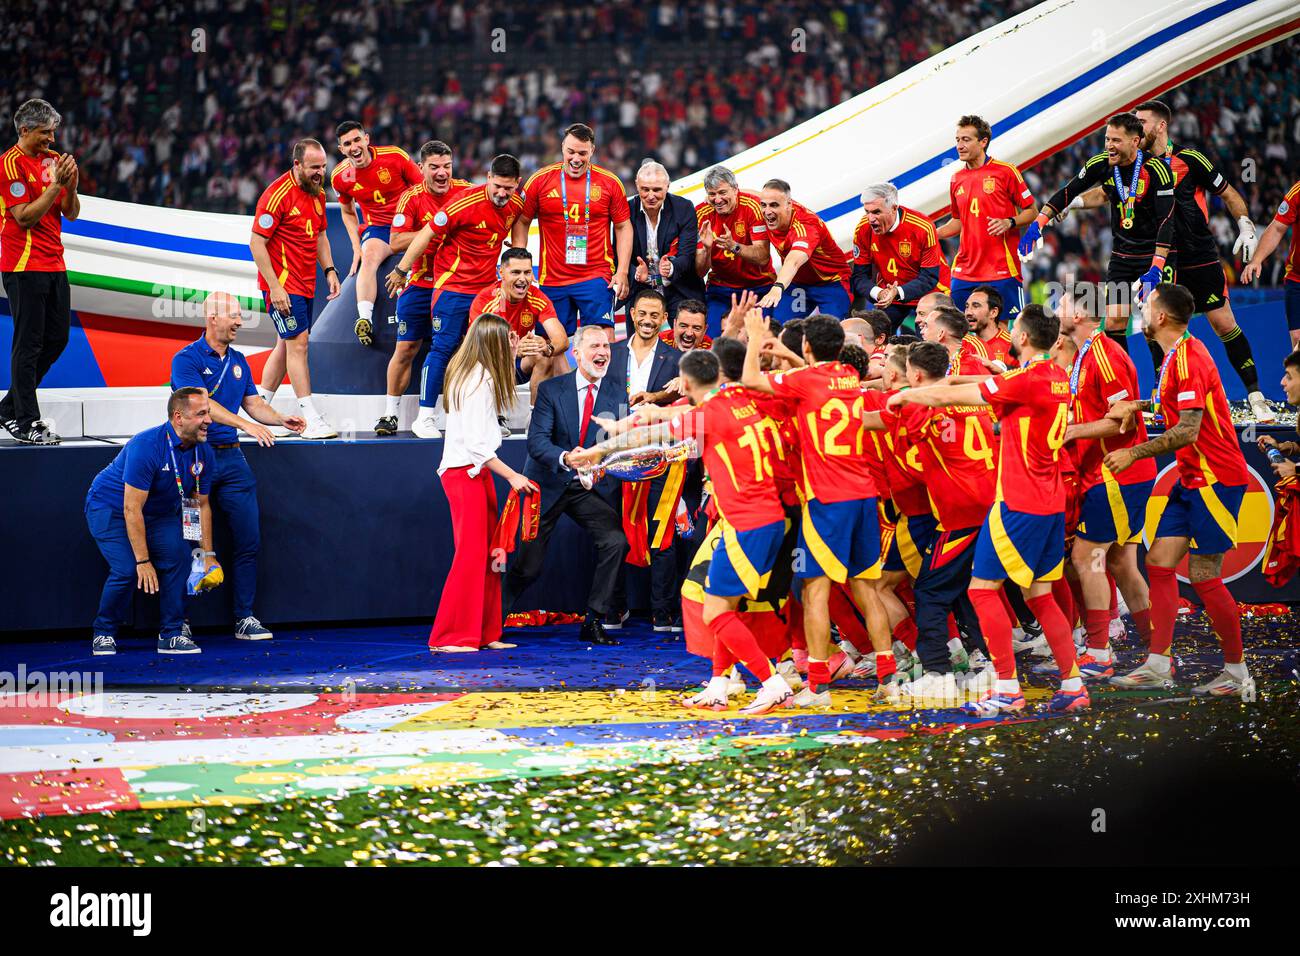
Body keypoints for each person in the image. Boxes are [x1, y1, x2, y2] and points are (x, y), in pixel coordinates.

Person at [570, 348, 798, 715]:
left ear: (687, 383)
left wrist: (599, 449)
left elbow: (655, 435)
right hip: (761, 517)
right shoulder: (742, 397)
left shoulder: (712, 413)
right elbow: (677, 415)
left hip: (746, 523)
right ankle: (720, 684)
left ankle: (772, 683)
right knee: (724, 604)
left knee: (715, 611)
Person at [890, 304, 1087, 715]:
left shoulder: (1025, 380)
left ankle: (1008, 688)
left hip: (1018, 504)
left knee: (982, 591)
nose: (1011, 332)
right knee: (1041, 595)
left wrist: (909, 394)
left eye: (1015, 328)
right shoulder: (1055, 376)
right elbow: (993, 384)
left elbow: (954, 394)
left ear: (1024, 338)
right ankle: (1072, 684)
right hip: (1049, 504)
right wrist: (980, 373)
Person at [1103, 283, 1255, 698]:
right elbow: (1169, 405)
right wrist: (1135, 405)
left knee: (1205, 573)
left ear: (1161, 317)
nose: (1141, 310)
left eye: (1147, 306)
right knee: (1158, 562)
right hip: (1192, 480)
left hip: (1216, 479)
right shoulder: (1176, 354)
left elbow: (1187, 430)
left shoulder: (1190, 358)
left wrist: (1134, 452)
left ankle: (1237, 672)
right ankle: (1158, 663)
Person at [742, 312, 895, 706]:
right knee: (866, 588)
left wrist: (758, 339)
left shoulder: (803, 380)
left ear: (807, 346)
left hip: (828, 500)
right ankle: (888, 678)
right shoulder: (847, 375)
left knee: (814, 592)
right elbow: (817, 374)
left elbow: (751, 382)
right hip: (864, 495)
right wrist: (793, 357)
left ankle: (818, 688)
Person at [169, 291, 306, 642]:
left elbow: (254, 403)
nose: (240, 323)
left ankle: (244, 617)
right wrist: (246, 425)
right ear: (212, 318)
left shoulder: (239, 360)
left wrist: (280, 419)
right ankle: (178, 621)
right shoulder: (185, 359)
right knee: (189, 540)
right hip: (194, 460)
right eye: (234, 316)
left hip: (232, 460)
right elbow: (202, 405)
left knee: (249, 539)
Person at [1131, 100, 1271, 422]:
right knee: (1155, 326)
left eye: (1143, 122)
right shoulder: (1135, 167)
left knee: (1224, 324)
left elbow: (1230, 194)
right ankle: (1160, 397)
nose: (1137, 128)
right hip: (1161, 258)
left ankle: (1255, 394)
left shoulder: (1190, 159)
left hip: (1200, 255)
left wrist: (1246, 226)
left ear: (1161, 126)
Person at [502, 325, 628, 646]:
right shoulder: (551, 390)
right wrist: (565, 458)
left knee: (615, 541)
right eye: (595, 347)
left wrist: (602, 464)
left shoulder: (617, 394)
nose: (602, 353)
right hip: (547, 483)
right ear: (576, 354)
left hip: (585, 488)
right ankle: (492, 618)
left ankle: (594, 620)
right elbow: (537, 443)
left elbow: (617, 444)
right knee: (528, 567)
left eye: (607, 347)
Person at [386, 153, 524, 439]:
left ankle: (491, 414)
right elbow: (425, 235)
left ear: (517, 185)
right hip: (453, 288)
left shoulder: (516, 205)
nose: (501, 193)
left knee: (491, 351)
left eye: (508, 189)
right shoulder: (463, 202)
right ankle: (424, 417)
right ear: (487, 177)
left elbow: (518, 239)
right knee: (443, 348)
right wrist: (401, 269)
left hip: (487, 290)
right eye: (497, 185)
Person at [1020, 113, 1175, 359]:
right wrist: (1039, 223)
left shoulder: (1156, 170)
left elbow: (1167, 220)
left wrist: (1157, 266)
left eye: (1116, 140)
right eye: (1107, 139)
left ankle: (1161, 384)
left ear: (1135, 141)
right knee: (1113, 322)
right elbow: (1068, 191)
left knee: (1154, 323)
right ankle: (1124, 383)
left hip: (1155, 255)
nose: (1109, 146)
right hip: (1122, 256)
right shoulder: (1101, 163)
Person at [1057, 287, 1154, 676]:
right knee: (1120, 562)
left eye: (1061, 304)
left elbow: (1122, 417)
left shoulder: (1105, 354)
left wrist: (1069, 430)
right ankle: (1157, 650)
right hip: (1113, 473)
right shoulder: (1086, 353)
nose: (1056, 310)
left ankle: (1098, 651)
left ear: (1080, 314)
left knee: (1086, 557)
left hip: (1115, 474)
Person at [430, 313, 538, 653]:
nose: (515, 343)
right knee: (471, 555)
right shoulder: (478, 381)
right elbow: (477, 445)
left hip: (475, 473)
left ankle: (485, 631)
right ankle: (450, 636)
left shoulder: (479, 376)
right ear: (495, 342)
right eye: (510, 339)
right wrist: (513, 476)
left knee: (493, 554)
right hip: (465, 473)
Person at [84, 388, 219, 656]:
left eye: (209, 413)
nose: (209, 421)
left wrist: (207, 554)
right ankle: (104, 632)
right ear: (178, 417)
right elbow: (131, 508)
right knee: (125, 569)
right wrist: (143, 561)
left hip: (157, 514)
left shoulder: (203, 452)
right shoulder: (147, 446)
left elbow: (200, 504)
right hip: (110, 509)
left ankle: (171, 633)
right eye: (201, 414)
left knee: (180, 557)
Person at [375, 140, 474, 436]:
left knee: (462, 351)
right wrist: (438, 229)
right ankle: (390, 414)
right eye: (434, 167)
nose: (442, 173)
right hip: (419, 283)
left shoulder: (466, 191)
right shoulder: (411, 198)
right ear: (421, 169)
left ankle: (461, 413)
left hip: (457, 284)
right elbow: (395, 241)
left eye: (447, 166)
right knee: (406, 348)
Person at [249, 138, 342, 440]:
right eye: (314, 167)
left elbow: (321, 236)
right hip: (283, 287)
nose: (320, 172)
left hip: (305, 284)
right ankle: (311, 419)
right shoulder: (276, 195)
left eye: (324, 166)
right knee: (299, 345)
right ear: (297, 165)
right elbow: (256, 243)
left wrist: (329, 269)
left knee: (285, 345)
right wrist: (275, 287)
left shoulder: (316, 194)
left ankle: (259, 407)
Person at [603, 289, 685, 629]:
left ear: (664, 317)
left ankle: (662, 609)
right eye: (643, 314)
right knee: (615, 536)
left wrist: (658, 396)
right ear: (631, 314)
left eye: (655, 315)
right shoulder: (610, 353)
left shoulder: (677, 358)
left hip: (659, 457)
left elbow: (689, 398)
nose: (648, 321)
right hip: (614, 456)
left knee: (660, 534)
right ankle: (615, 605)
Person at [0, 98, 79, 445]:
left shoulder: (53, 162)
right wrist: (55, 186)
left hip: (55, 263)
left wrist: (71, 186)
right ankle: (27, 420)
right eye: (45, 133)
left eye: (53, 133)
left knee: (58, 338)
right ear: (25, 130)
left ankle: (8, 408)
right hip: (23, 265)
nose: (51, 139)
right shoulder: (9, 165)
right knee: (28, 342)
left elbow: (71, 213)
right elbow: (24, 217)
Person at [512, 124, 631, 343]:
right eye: (571, 152)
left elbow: (623, 226)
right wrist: (520, 257)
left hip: (595, 276)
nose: (576, 158)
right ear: (562, 148)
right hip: (553, 279)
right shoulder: (540, 180)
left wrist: (622, 271)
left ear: (592, 151)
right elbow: (522, 220)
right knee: (549, 346)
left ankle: (603, 379)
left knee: (603, 340)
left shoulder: (610, 183)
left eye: (582, 153)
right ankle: (564, 379)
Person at [329, 121, 422, 347]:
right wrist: (355, 247)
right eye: (347, 144)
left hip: (411, 223)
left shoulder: (395, 157)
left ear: (367, 139)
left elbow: (424, 190)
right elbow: (348, 211)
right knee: (368, 258)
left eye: (357, 140)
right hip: (381, 229)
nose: (354, 147)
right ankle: (365, 319)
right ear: (341, 149)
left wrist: (425, 229)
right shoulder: (340, 176)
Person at [936, 115, 1037, 316]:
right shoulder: (957, 179)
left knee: (1003, 331)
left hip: (1002, 268)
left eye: (966, 139)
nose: (959, 145)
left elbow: (1032, 212)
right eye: (957, 140)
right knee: (958, 327)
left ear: (983, 142)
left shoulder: (1006, 172)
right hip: (965, 269)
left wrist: (1010, 222)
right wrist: (931, 233)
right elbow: (958, 222)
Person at [469, 248, 568, 405]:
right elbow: (478, 348)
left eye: (527, 272)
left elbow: (561, 340)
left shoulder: (536, 297)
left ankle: (536, 417)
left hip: (517, 365)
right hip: (488, 367)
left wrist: (546, 347)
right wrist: (513, 349)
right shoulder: (486, 301)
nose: (523, 279)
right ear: (501, 273)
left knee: (545, 354)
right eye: (516, 272)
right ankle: (496, 415)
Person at [851, 183, 946, 331]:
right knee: (873, 335)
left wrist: (897, 292)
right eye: (867, 212)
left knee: (929, 342)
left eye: (876, 212)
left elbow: (929, 277)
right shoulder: (862, 229)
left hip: (929, 291)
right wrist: (880, 293)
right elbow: (859, 277)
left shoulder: (922, 227)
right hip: (889, 296)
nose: (870, 219)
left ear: (894, 208)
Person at [694, 166, 776, 337]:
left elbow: (762, 257)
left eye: (722, 192)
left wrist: (734, 246)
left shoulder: (753, 206)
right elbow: (700, 272)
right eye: (712, 194)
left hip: (759, 287)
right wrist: (707, 250)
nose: (717, 200)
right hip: (721, 289)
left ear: (735, 189)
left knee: (761, 339)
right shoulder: (700, 213)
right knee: (712, 340)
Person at [757, 179, 853, 323]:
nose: (767, 211)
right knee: (779, 326)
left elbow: (793, 261)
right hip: (798, 283)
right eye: (763, 205)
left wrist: (777, 287)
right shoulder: (772, 207)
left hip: (830, 282)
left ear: (789, 204)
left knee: (832, 331)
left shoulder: (806, 226)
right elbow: (749, 193)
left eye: (774, 205)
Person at [625, 160, 703, 323]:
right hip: (641, 289)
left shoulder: (684, 208)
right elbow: (619, 256)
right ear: (637, 185)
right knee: (639, 344)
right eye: (645, 189)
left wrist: (671, 267)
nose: (651, 196)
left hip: (679, 287)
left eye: (657, 190)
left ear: (668, 186)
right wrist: (636, 273)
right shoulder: (626, 210)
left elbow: (687, 256)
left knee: (687, 341)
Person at [1240, 178, 1300, 349]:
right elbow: (1277, 228)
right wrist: (1257, 259)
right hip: (1297, 278)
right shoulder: (1298, 191)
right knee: (1297, 340)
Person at [962, 285, 1017, 371]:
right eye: (967, 306)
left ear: (993, 312)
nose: (968, 312)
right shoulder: (962, 344)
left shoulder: (1012, 345)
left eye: (976, 306)